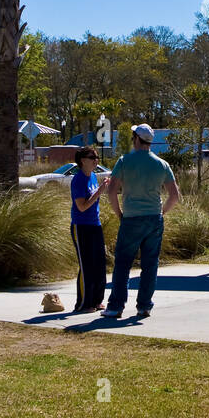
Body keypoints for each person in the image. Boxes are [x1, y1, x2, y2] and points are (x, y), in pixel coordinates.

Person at [101, 124, 179, 319]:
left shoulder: (124, 161)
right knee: (150, 264)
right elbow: (174, 195)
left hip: (131, 217)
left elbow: (112, 191)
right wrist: (162, 212)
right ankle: (144, 306)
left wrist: (119, 212)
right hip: (154, 218)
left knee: (123, 263)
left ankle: (116, 306)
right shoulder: (162, 164)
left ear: (136, 138)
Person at [68, 146, 106, 312]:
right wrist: (99, 192)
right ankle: (84, 303)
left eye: (97, 157)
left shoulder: (93, 178)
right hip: (81, 226)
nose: (96, 160)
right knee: (86, 265)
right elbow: (82, 206)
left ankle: (97, 300)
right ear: (83, 161)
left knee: (99, 263)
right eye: (92, 157)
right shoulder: (78, 180)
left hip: (95, 225)